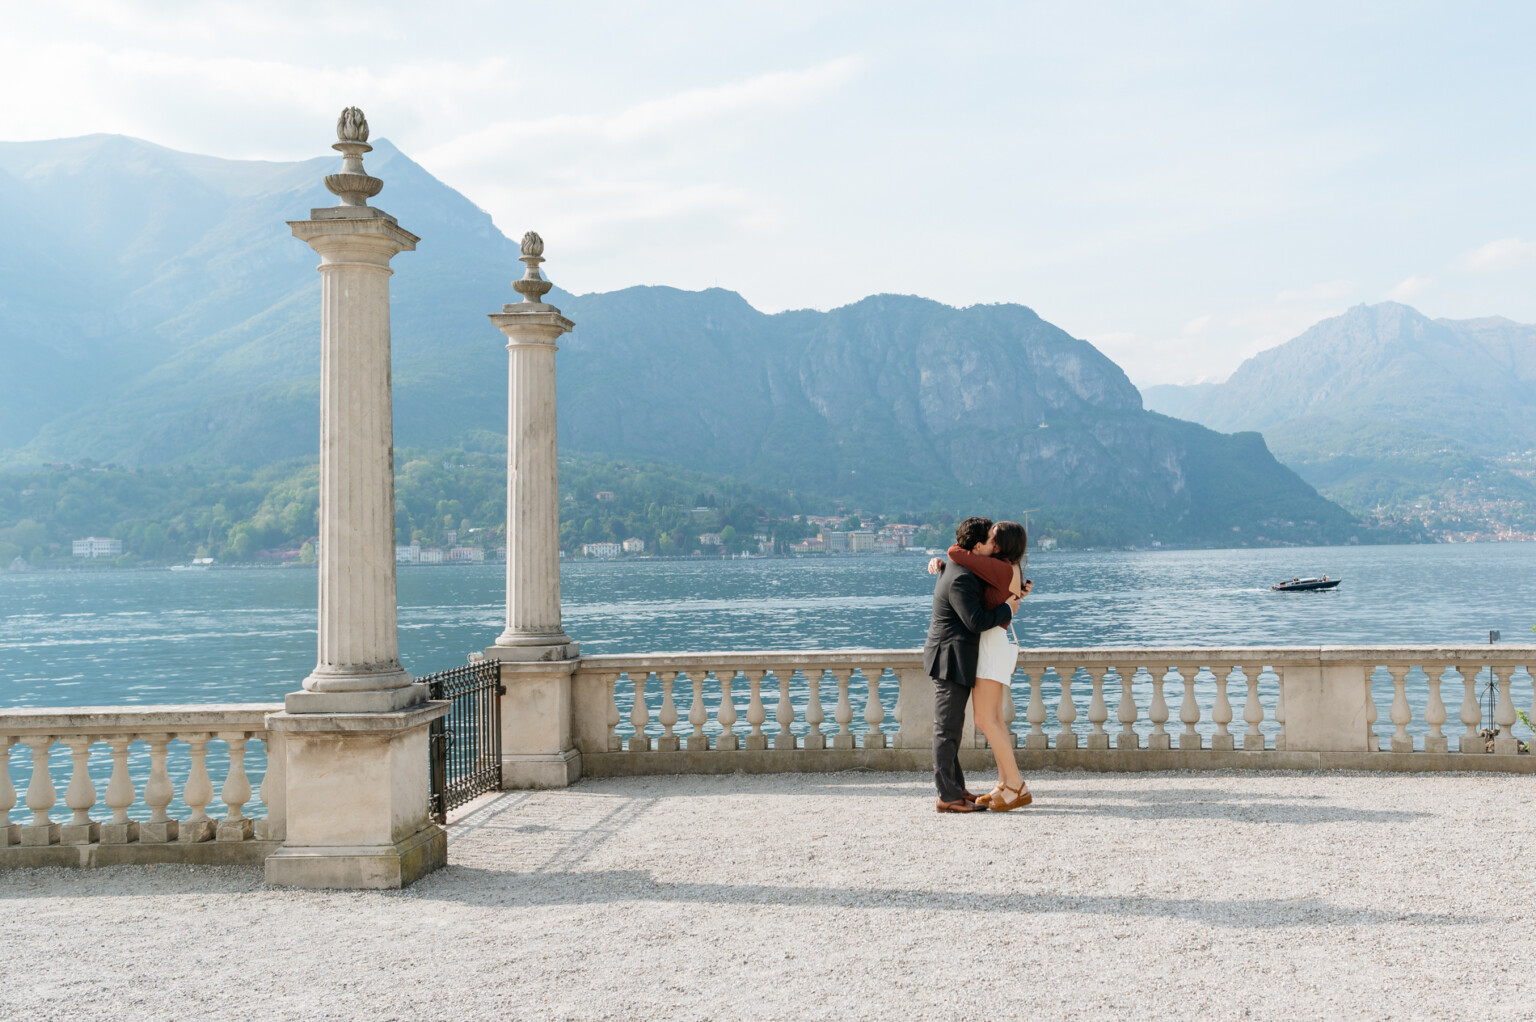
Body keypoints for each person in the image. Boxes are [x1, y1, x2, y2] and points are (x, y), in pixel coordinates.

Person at [929, 521, 1033, 811]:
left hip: (989, 645)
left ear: (1001, 546)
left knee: (986, 721)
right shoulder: (1000, 568)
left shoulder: (1000, 568)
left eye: (993, 538)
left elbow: (958, 553)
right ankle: (1005, 784)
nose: (990, 541)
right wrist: (939, 565)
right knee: (994, 718)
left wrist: (946, 555)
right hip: (991, 644)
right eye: (988, 537)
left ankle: (1016, 785)